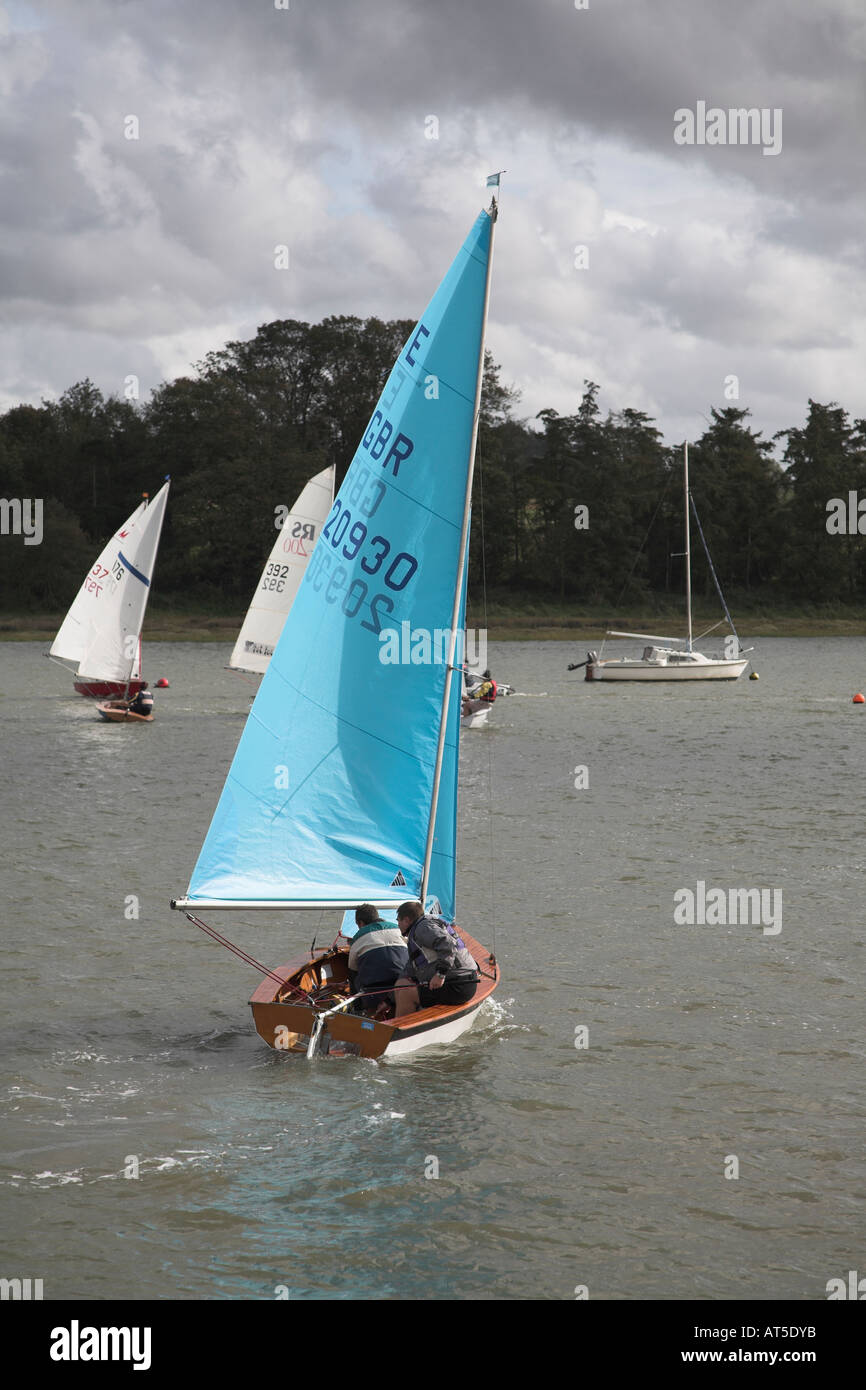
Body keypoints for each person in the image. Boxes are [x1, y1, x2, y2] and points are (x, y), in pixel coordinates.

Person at [392, 901, 480, 1018]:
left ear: (407, 920)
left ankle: (398, 1031)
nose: (397, 924)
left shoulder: (423, 928)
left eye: (398, 920)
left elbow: (448, 945)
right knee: (401, 984)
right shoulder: (419, 931)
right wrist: (388, 1000)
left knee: (406, 993)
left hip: (460, 984)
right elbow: (410, 969)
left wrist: (440, 974)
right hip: (454, 980)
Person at [347, 905, 409, 1017]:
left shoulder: (358, 937)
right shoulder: (397, 928)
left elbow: (353, 968)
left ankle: (358, 1010)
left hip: (374, 990)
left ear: (360, 923)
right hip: (402, 984)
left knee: (353, 975)